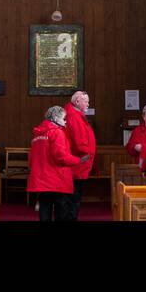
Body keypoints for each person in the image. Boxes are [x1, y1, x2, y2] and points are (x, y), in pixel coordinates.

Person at [28, 106, 87, 221]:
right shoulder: (57, 133)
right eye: (64, 118)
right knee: (61, 210)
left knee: (44, 208)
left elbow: (32, 159)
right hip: (56, 179)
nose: (65, 121)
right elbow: (61, 157)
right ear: (55, 118)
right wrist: (78, 160)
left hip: (41, 179)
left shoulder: (37, 135)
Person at [61, 90, 96, 220]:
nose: (88, 104)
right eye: (86, 101)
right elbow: (79, 141)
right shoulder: (73, 116)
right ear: (77, 101)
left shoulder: (75, 114)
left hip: (79, 161)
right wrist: (88, 152)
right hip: (78, 161)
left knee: (73, 195)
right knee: (73, 196)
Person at [126, 105, 146, 174]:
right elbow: (129, 147)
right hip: (141, 165)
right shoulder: (137, 130)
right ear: (143, 117)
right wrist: (135, 147)